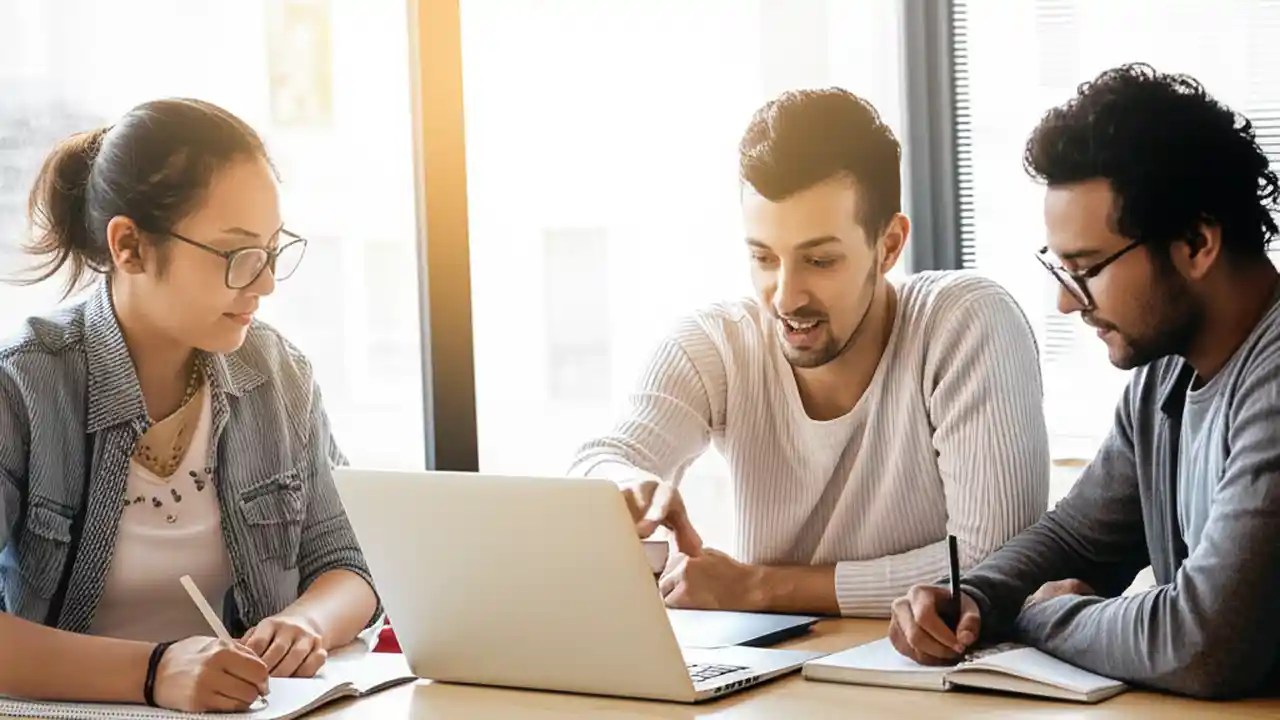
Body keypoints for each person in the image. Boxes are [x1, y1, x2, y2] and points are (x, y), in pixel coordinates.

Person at [569, 88, 1050, 618]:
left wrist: (760, 589)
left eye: (819, 260)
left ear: (888, 245)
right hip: (774, 685)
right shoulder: (716, 344)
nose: (785, 296)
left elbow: (999, 561)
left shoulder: (963, 322)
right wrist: (622, 487)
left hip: (936, 685)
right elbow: (598, 462)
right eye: (764, 257)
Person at [887, 63, 1280, 699]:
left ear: (1197, 242)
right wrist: (974, 600)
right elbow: (1078, 537)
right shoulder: (1164, 379)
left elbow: (1207, 641)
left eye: (1087, 267)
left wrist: (1045, 616)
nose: (1069, 303)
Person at [0, 98, 380, 713]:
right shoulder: (23, 385)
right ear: (129, 247)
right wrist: (153, 672)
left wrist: (308, 622)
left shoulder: (279, 376)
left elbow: (349, 563)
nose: (264, 284)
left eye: (271, 250)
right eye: (236, 255)